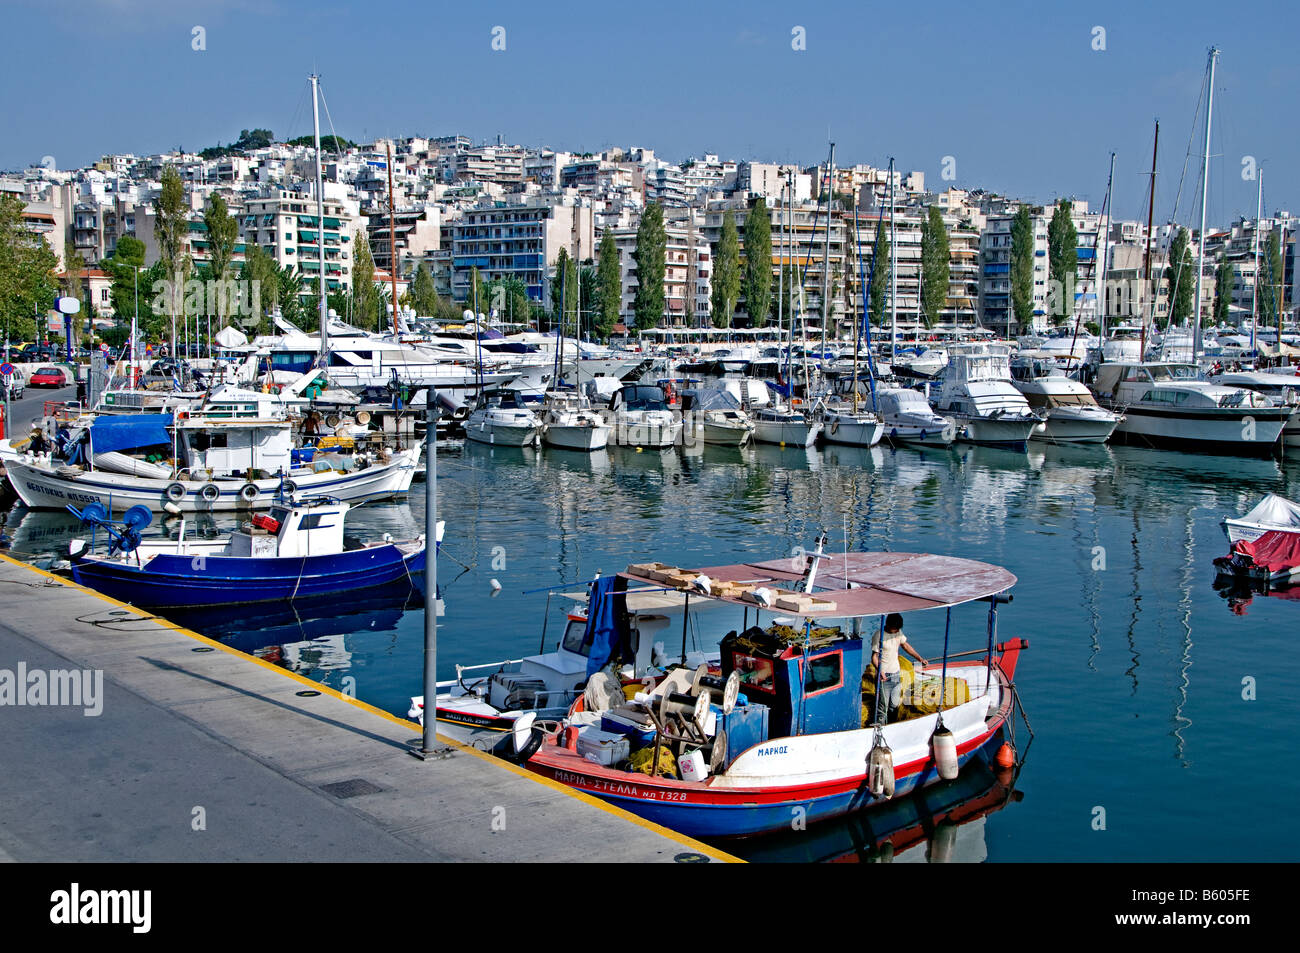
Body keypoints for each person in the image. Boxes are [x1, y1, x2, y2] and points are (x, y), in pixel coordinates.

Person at [870, 613, 927, 723]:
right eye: (894, 628)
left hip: (896, 674)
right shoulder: (878, 635)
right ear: (888, 625)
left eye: (898, 629)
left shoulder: (898, 632)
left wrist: (920, 658)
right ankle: (880, 729)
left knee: (894, 705)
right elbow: (874, 657)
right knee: (883, 708)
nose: (896, 631)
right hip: (884, 677)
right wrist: (880, 670)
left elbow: (905, 645)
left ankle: (892, 726)